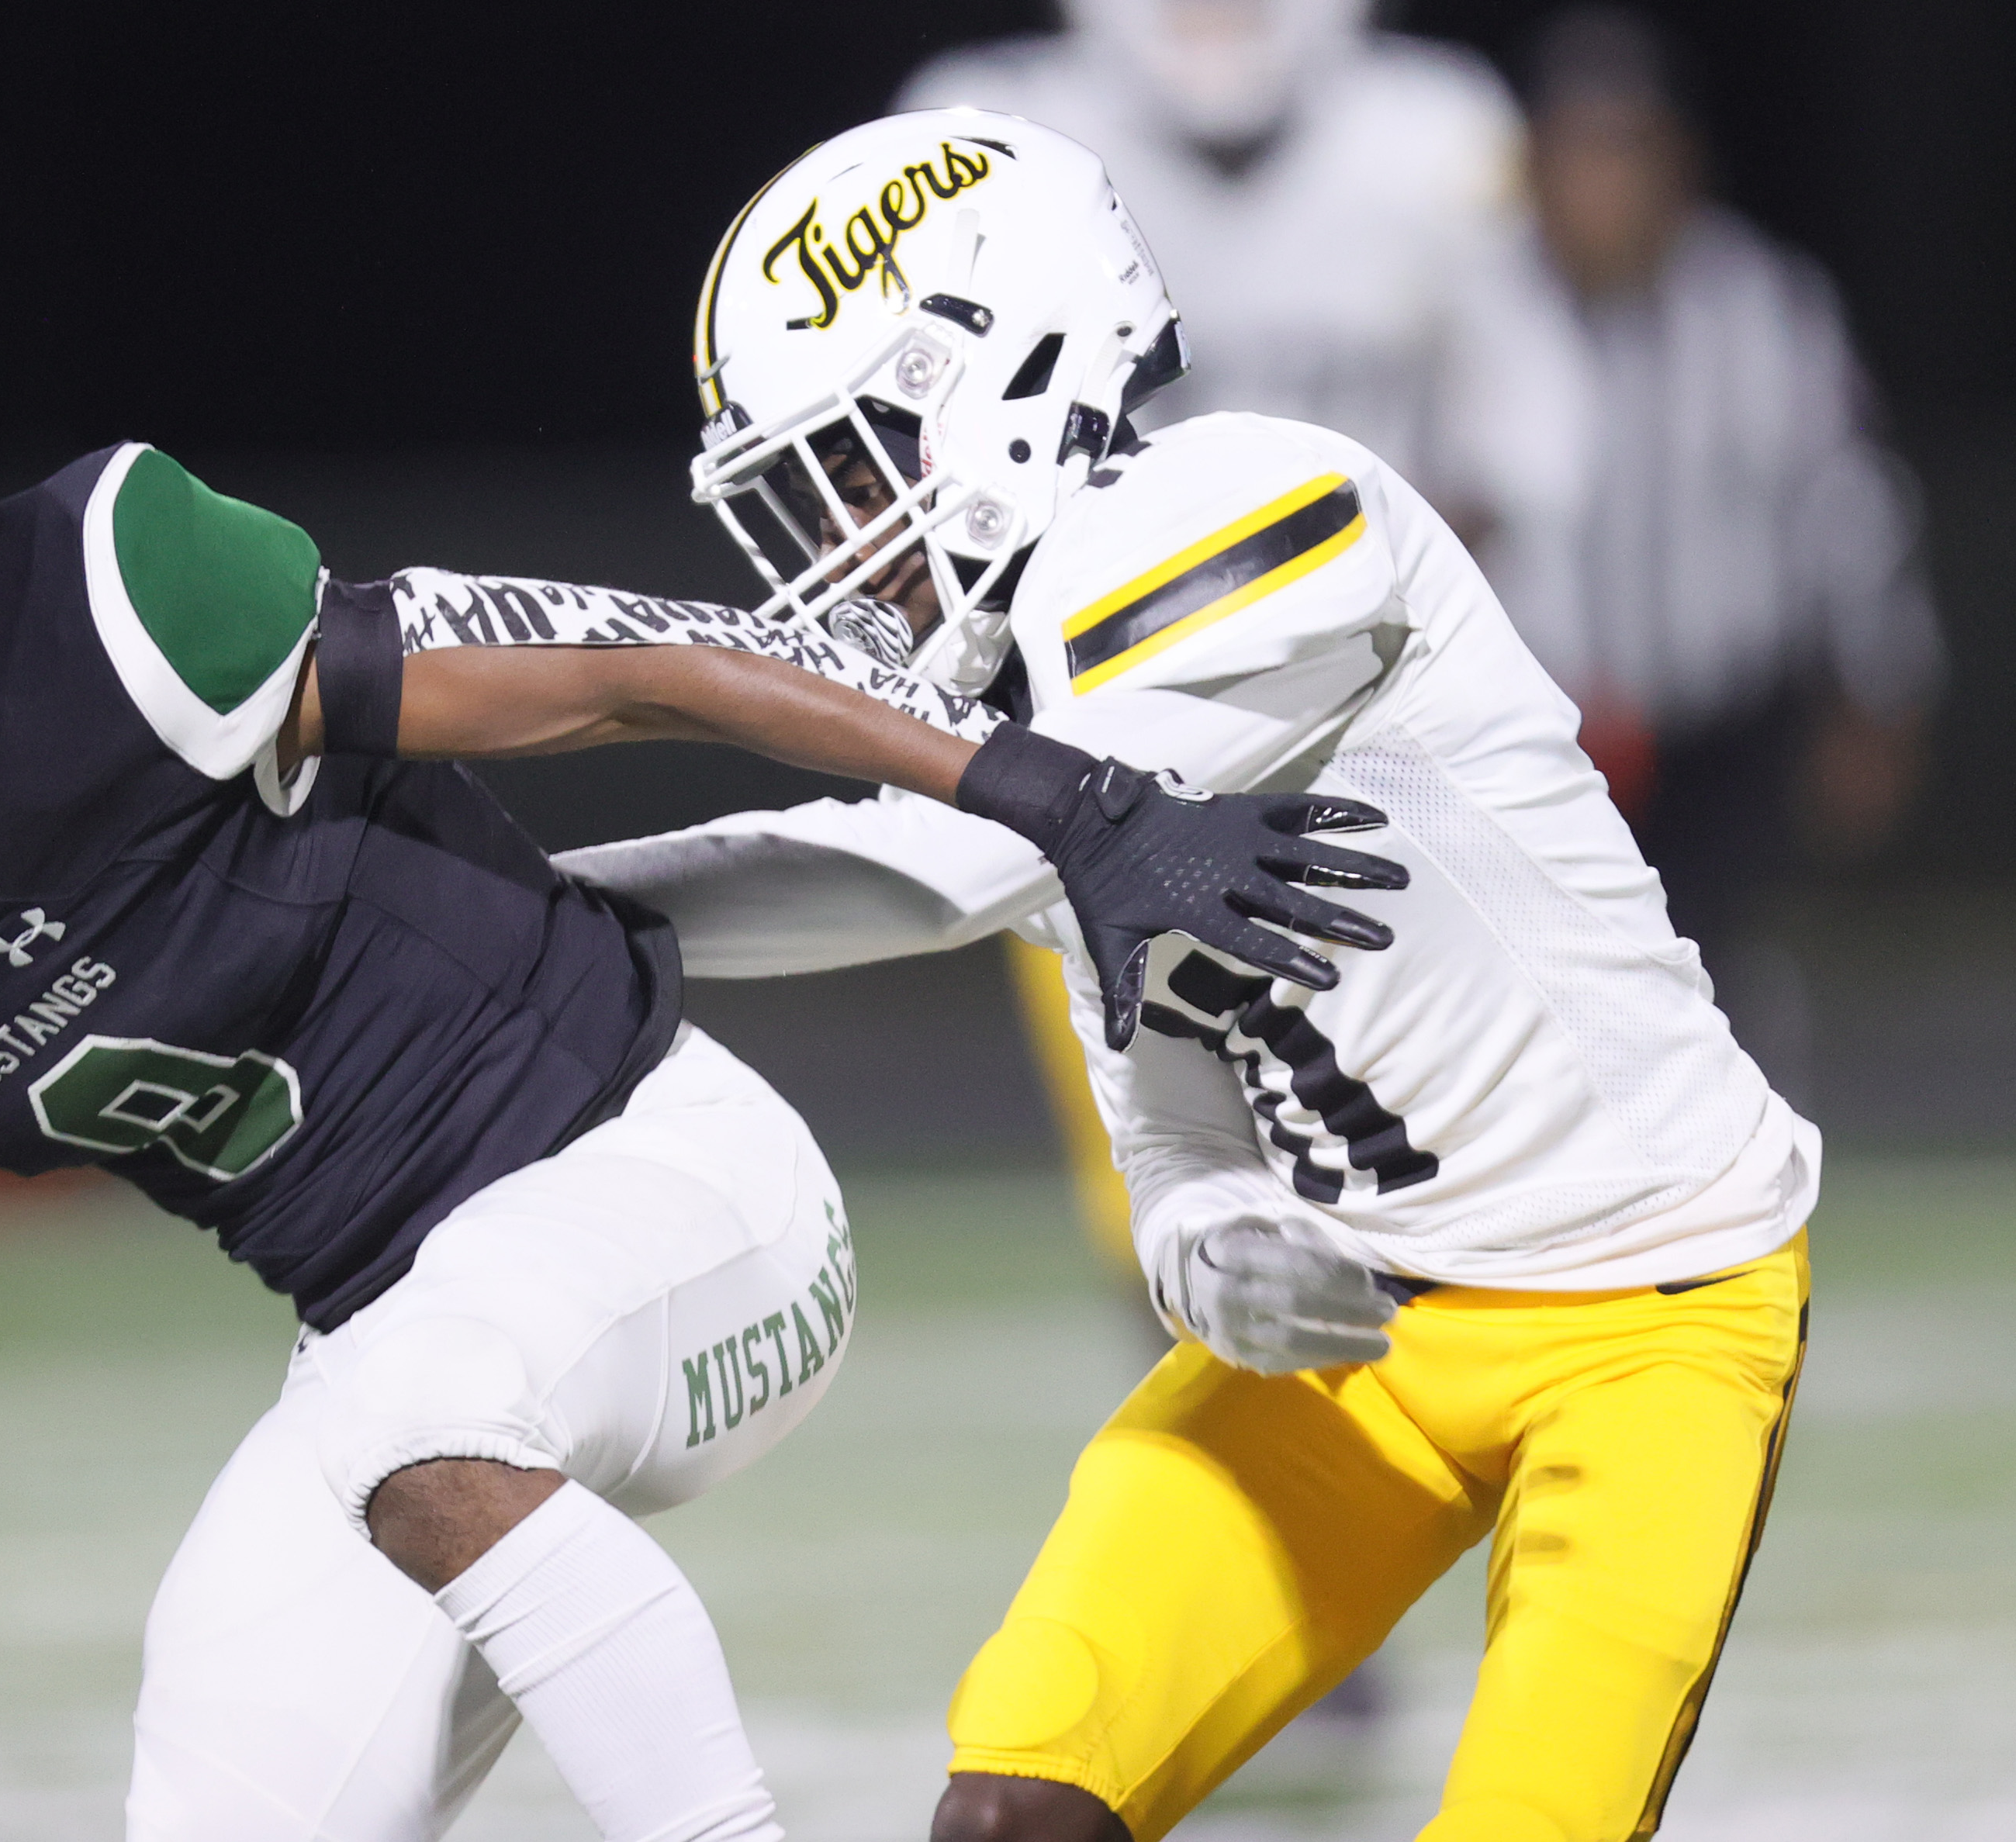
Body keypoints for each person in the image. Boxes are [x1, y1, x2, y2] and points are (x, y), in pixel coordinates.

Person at [0, 373, 1402, 1836]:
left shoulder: (100, 609)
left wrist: (1056, 797)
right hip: (394, 1350)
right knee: (232, 1776)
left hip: (671, 1184)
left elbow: (623, 664)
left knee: (401, 1426)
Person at [561, 110, 1817, 1841]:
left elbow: (968, 863)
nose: (838, 541)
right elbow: (1154, 1076)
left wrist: (523, 907)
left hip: (1647, 1313)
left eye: (857, 468)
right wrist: (1201, 1235)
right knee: (1018, 1804)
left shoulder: (1260, 502)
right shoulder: (1014, 692)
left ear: (997, 376)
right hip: (1364, 1336)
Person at [897, 0, 1593, 1319]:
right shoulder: (985, 127)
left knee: (1445, 1154)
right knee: (1179, 1190)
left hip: (1383, 738)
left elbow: (1528, 439)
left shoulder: (1432, 137)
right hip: (1091, 745)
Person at [1513, 5, 1942, 1094]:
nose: (1600, 182)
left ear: (1678, 164)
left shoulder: (1764, 310)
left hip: (1714, 726)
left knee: (1702, 977)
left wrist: (1878, 694)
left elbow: (1849, 515)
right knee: (1533, 992)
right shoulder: (1474, 306)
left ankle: (1737, 1193)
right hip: (1525, 732)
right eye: (1578, 150)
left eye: (1626, 149)